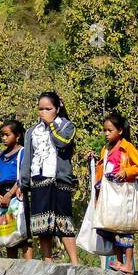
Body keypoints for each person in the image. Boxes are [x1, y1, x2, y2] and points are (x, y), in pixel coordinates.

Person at [18, 91, 79, 264]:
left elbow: (62, 143)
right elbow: (28, 158)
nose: (44, 112)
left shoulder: (67, 126)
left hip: (59, 180)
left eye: (48, 108)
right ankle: (47, 260)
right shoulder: (31, 132)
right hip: (39, 179)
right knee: (42, 224)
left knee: (63, 221)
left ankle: (74, 261)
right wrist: (23, 182)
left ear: (57, 108)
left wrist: (51, 125)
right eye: (40, 109)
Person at [90, 112, 138, 275]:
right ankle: (118, 261)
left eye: (110, 130)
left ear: (120, 130)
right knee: (113, 227)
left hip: (124, 193)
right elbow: (102, 168)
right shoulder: (105, 149)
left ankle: (128, 264)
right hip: (109, 193)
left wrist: (126, 172)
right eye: (105, 130)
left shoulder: (127, 147)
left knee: (125, 228)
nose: (106, 133)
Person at [0, 120, 32, 260]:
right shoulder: (0, 156)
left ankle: (29, 267)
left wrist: (10, 194)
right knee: (8, 233)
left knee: (23, 232)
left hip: (16, 194)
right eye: (2, 135)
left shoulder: (22, 152)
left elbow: (22, 174)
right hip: (2, 197)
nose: (4, 138)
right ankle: (11, 268)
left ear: (17, 136)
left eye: (7, 135)